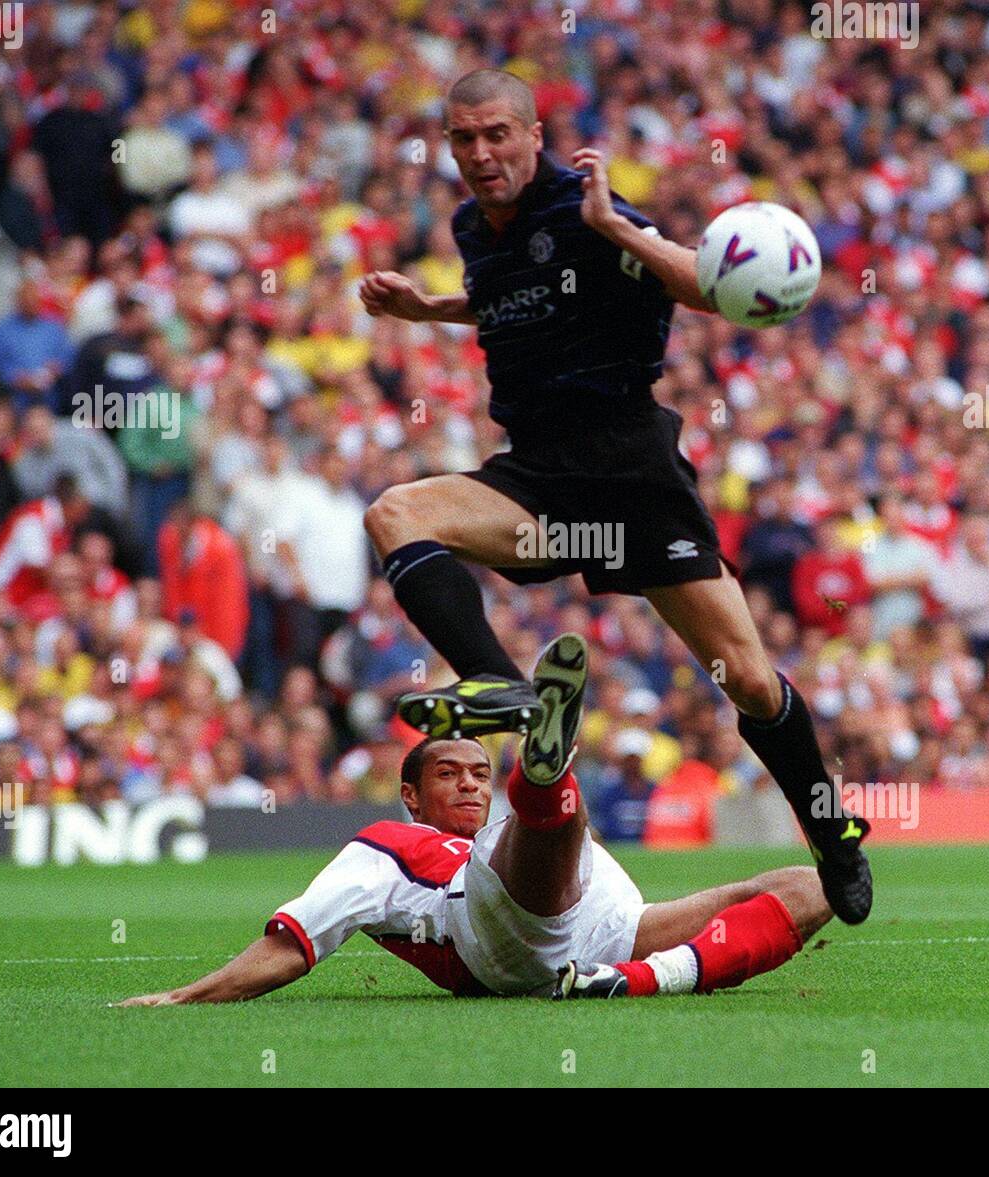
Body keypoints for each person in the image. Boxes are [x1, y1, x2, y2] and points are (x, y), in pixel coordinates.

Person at [356, 68, 871, 923]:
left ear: (533, 135)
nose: (481, 154)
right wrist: (429, 310)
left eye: (497, 135)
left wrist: (612, 227)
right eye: (463, 138)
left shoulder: (587, 209)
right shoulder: (471, 227)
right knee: (395, 513)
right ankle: (494, 679)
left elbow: (711, 288)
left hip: (634, 477)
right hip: (538, 481)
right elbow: (511, 302)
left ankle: (829, 833)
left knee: (747, 678)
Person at [116, 635, 832, 1005]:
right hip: (495, 925)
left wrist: (627, 962)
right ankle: (547, 769)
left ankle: (634, 980)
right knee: (528, 839)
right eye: (447, 772)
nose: (466, 783)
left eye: (478, 772)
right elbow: (294, 944)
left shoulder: (490, 828)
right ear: (410, 795)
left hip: (616, 929)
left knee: (812, 888)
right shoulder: (384, 848)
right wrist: (188, 995)